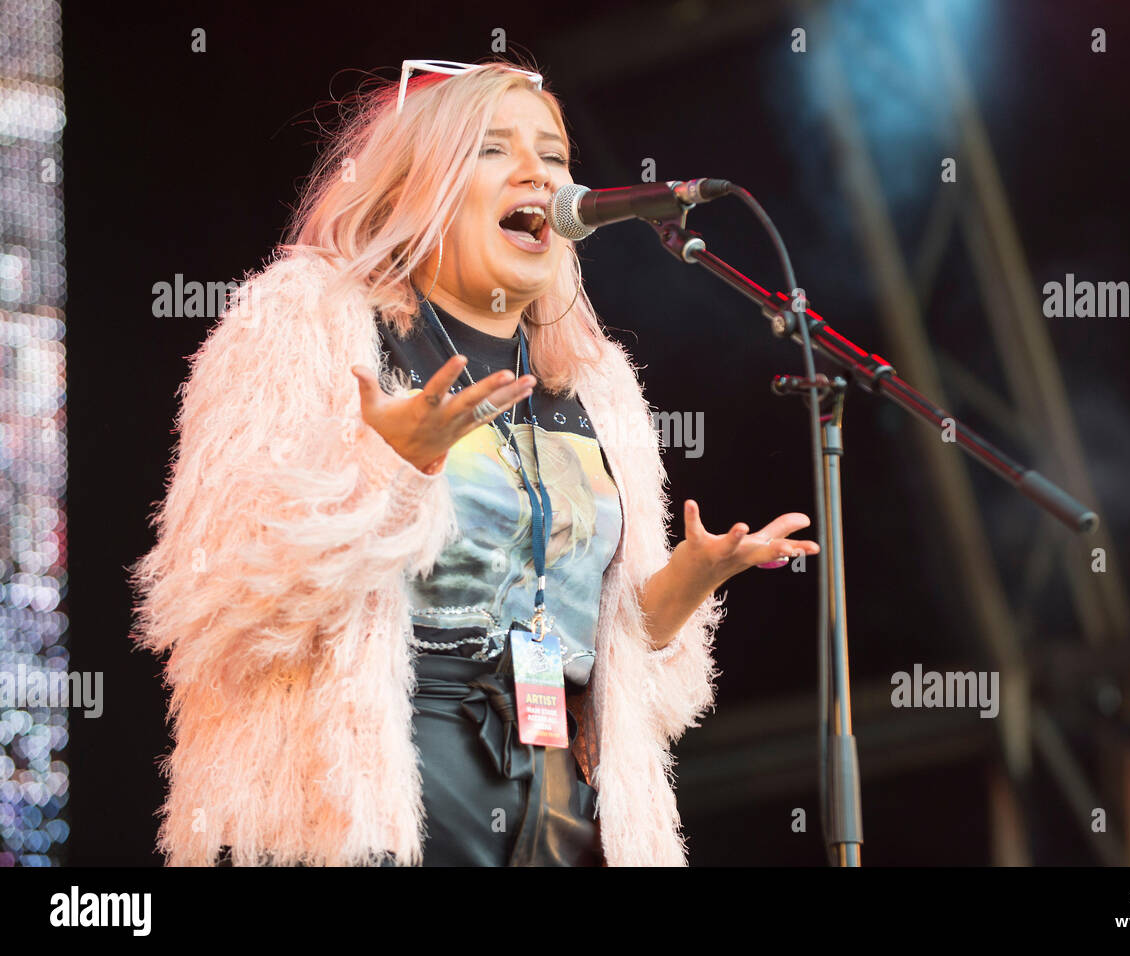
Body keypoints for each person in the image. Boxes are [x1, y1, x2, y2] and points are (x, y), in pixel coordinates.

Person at [129, 58, 819, 867]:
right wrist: (395, 473)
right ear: (414, 184)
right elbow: (221, 605)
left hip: (563, 803)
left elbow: (622, 675)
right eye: (495, 149)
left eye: (555, 156)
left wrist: (677, 593)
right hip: (377, 792)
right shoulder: (305, 327)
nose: (539, 173)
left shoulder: (595, 382)